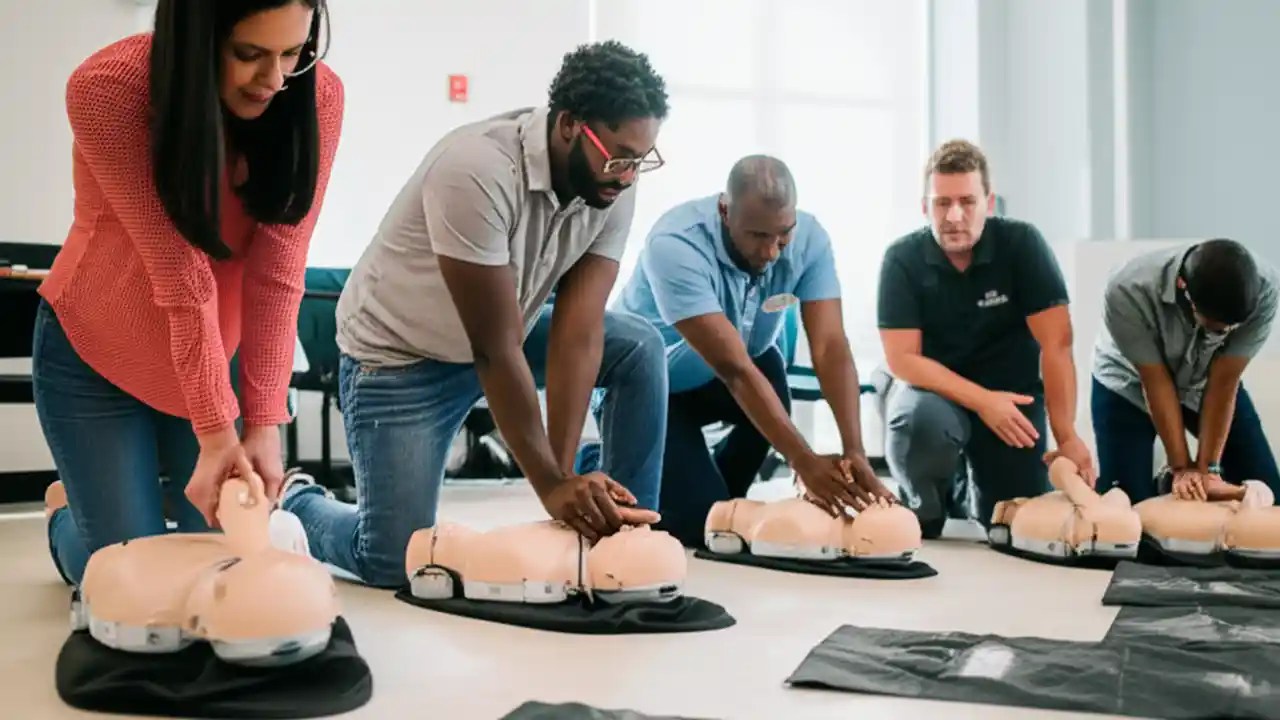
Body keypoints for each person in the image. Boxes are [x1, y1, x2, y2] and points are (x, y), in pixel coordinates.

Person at [281, 41, 671, 588]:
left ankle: (624, 539)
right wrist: (551, 485)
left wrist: (562, 481)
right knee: (393, 561)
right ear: (568, 125)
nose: (628, 176)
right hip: (401, 359)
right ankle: (297, 500)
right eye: (619, 157)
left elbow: (579, 333)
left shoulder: (610, 185)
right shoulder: (476, 169)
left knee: (637, 346)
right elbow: (494, 348)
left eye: (640, 160)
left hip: (504, 334)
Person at [34, 0, 344, 586]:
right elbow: (181, 276)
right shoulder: (108, 88)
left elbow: (279, 273)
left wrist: (263, 427)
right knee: (136, 579)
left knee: (222, 569)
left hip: (209, 356)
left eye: (293, 52)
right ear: (196, 37)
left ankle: (111, 502)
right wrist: (217, 433)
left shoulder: (316, 95)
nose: (275, 79)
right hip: (97, 352)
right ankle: (66, 516)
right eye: (249, 54)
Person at [611, 155, 894, 547]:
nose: (772, 251)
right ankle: (601, 460)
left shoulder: (810, 240)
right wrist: (802, 460)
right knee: (697, 527)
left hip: (731, 373)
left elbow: (830, 346)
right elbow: (734, 369)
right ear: (725, 212)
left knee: (727, 508)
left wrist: (855, 451)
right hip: (651, 389)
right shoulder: (675, 244)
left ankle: (706, 483)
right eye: (758, 235)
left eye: (783, 234)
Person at [876, 139, 1093, 538]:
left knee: (1010, 523)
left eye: (967, 202)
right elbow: (903, 358)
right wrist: (982, 401)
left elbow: (1057, 345)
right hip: (933, 396)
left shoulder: (1022, 244)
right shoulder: (902, 258)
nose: (954, 216)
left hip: (1011, 396)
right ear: (924, 207)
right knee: (922, 431)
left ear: (989, 204)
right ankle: (928, 501)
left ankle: (968, 486)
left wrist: (1067, 436)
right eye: (942, 203)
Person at [1091, 239, 1280, 503]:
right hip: (1128, 380)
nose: (1225, 333)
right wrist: (1181, 467)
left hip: (1205, 381)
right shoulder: (1126, 290)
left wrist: (1209, 470)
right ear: (1184, 289)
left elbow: (1224, 381)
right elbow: (1156, 382)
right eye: (1216, 329)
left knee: (1270, 495)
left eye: (1230, 329)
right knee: (1126, 505)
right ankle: (1164, 483)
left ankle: (1174, 485)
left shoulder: (1266, 289)